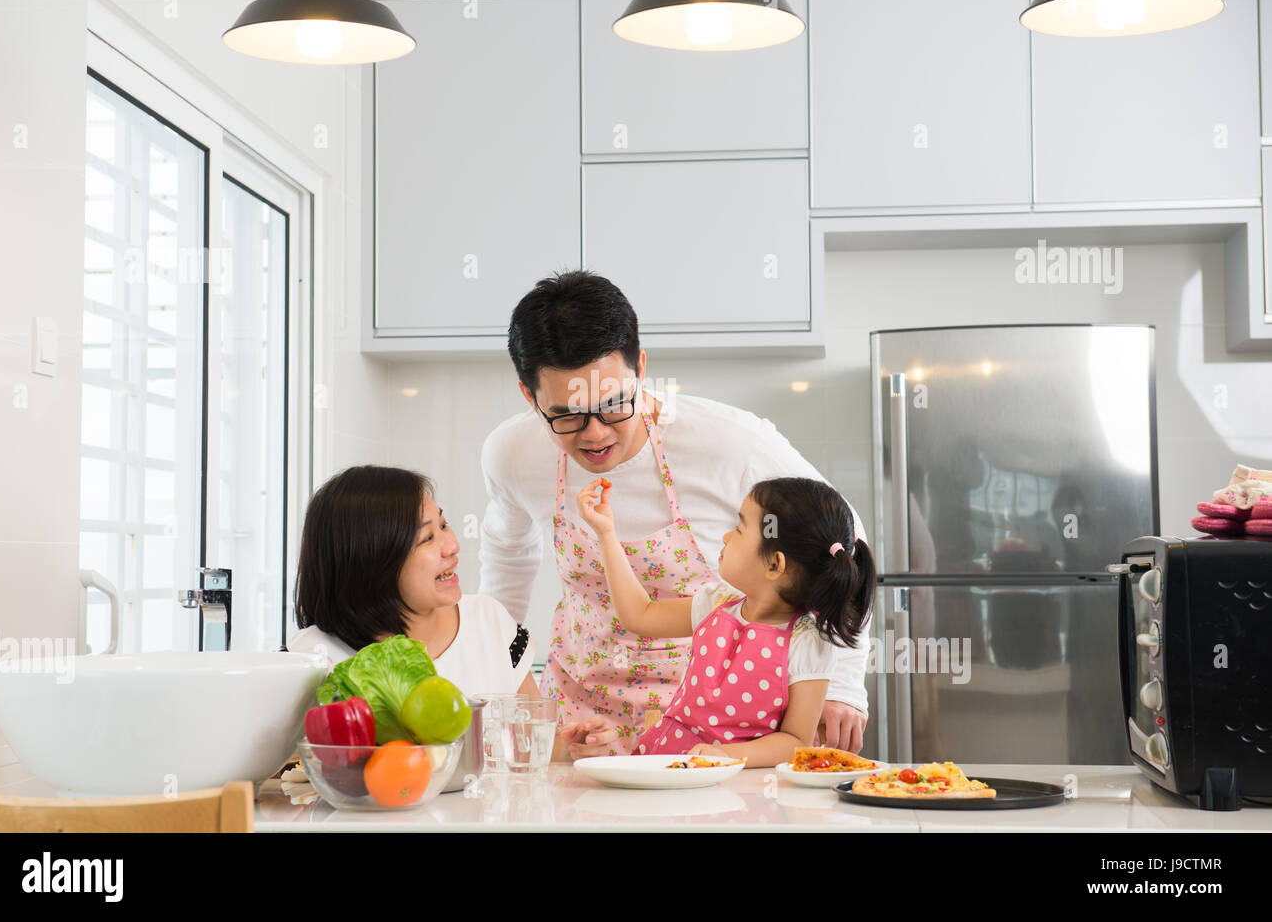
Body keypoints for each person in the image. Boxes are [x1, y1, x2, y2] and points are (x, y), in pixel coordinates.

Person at [480, 269, 873, 755]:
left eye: (614, 404)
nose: (596, 433)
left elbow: (844, 538)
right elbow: (506, 571)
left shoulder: (730, 444)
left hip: (713, 727)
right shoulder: (512, 454)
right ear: (528, 396)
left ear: (640, 367)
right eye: (566, 415)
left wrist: (843, 686)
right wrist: (501, 697)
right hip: (579, 723)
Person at [285, 465, 615, 759]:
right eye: (427, 537)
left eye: (444, 525)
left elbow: (532, 746)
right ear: (370, 562)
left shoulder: (489, 621)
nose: (452, 545)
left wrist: (573, 747)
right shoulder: (310, 659)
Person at [573, 475, 876, 767]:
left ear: (774, 564)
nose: (726, 536)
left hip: (740, 787)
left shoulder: (806, 642)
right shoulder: (715, 604)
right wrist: (606, 534)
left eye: (740, 529)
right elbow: (639, 614)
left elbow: (795, 741)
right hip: (666, 763)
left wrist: (727, 757)